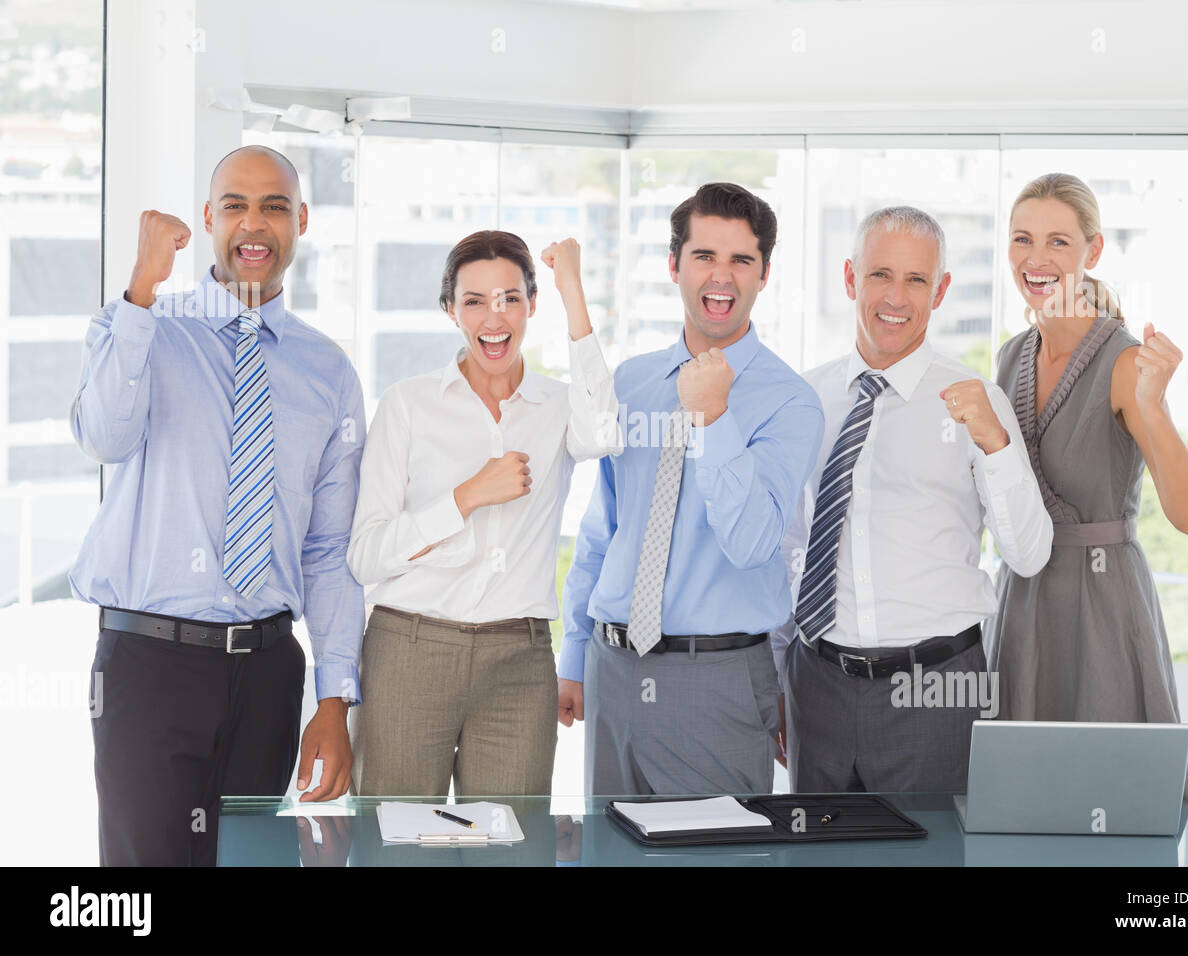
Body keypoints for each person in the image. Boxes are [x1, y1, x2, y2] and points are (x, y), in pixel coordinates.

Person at [70, 145, 365, 866]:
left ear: (301, 221)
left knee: (251, 864)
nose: (253, 224)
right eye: (235, 205)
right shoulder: (145, 327)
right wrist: (140, 288)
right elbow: (102, 436)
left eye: (273, 206)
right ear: (208, 218)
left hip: (267, 672)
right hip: (149, 664)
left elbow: (330, 552)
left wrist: (335, 699)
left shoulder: (327, 373)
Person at [774, 206, 1053, 793]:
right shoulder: (805, 399)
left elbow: (1028, 554)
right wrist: (780, 674)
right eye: (880, 275)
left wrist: (995, 444)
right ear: (851, 278)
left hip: (936, 690)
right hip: (816, 685)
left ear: (941, 290)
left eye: (916, 280)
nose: (895, 297)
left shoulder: (978, 402)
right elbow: (789, 546)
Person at [559, 181, 825, 796]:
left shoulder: (790, 401)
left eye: (741, 260)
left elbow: (753, 541)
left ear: (764, 275)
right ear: (674, 265)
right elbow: (603, 531)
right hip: (612, 669)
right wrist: (573, 654)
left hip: (719, 680)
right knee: (608, 854)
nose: (721, 276)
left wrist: (714, 417)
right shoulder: (630, 381)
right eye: (704, 256)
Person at [346, 232, 621, 797]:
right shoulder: (407, 404)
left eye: (510, 298)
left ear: (532, 305)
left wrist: (573, 290)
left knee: (513, 850)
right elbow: (365, 556)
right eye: (474, 300)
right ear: (451, 310)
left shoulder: (559, 407)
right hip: (408, 650)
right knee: (396, 848)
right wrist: (464, 498)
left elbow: (605, 431)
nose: (494, 317)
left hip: (518, 661)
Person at [989, 173, 1188, 803]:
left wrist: (1154, 406)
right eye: (1022, 239)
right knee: (1025, 806)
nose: (1037, 258)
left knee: (1111, 799)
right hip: (1024, 600)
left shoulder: (1125, 363)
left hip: (1103, 605)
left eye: (1058, 241)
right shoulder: (1008, 358)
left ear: (1093, 251)